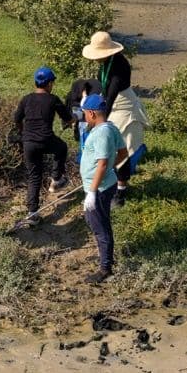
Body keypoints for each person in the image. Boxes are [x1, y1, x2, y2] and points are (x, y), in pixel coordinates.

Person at [81, 31, 148, 209]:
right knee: (107, 147)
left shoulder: (120, 66)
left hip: (124, 109)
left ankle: (121, 192)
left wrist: (98, 122)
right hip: (110, 105)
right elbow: (102, 87)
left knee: (121, 149)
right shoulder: (105, 63)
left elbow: (110, 98)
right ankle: (108, 182)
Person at [78, 94, 129, 285]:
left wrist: (92, 191)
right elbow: (123, 153)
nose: (84, 118)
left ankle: (105, 268)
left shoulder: (101, 133)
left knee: (100, 226)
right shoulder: (111, 128)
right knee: (95, 221)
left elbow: (102, 163)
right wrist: (107, 169)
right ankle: (104, 255)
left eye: (84, 114)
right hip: (103, 184)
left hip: (99, 188)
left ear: (91, 113)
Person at [13, 66, 74, 226]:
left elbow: (17, 119)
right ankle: (56, 179)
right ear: (49, 84)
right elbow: (67, 118)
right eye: (52, 82)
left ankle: (32, 213)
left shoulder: (26, 99)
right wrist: (74, 118)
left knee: (34, 177)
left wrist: (23, 133)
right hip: (46, 139)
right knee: (61, 147)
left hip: (28, 143)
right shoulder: (53, 99)